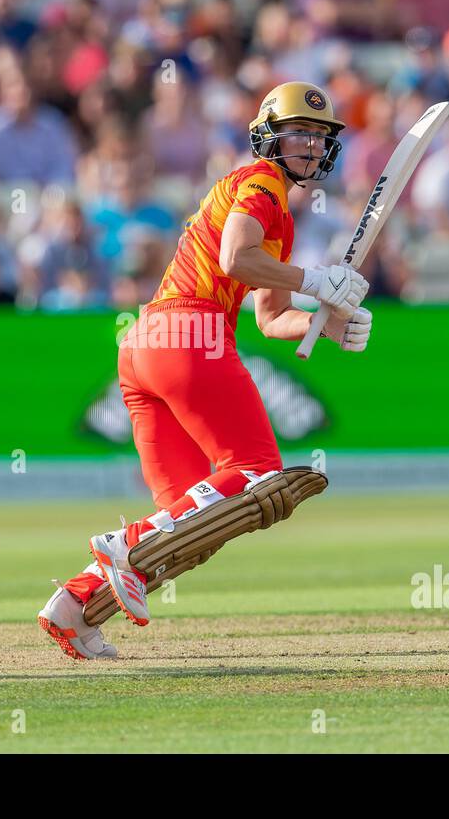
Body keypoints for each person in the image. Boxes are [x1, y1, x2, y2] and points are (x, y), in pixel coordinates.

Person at [38, 82, 372, 659]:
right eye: (299, 133)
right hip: (191, 333)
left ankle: (73, 607)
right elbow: (234, 259)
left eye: (319, 137)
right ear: (269, 136)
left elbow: (271, 319)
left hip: (146, 344)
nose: (311, 147)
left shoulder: (280, 219)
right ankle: (127, 543)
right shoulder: (259, 182)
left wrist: (327, 321)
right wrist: (319, 280)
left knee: (192, 529)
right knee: (254, 472)